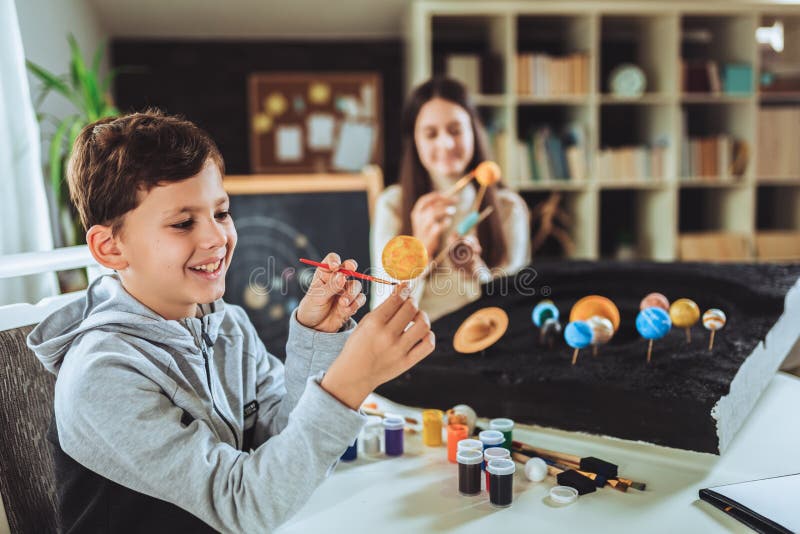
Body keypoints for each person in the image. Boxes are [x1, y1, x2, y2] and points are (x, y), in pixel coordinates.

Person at [27, 110, 435, 533]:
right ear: (110, 248)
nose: (217, 238)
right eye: (183, 223)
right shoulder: (102, 376)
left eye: (221, 213)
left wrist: (317, 339)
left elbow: (283, 447)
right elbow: (245, 505)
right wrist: (350, 382)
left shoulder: (230, 328)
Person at [371, 77, 531, 321]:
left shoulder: (508, 208)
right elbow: (381, 311)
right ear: (414, 140)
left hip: (484, 343)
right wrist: (418, 252)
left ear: (474, 132)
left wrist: (477, 273)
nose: (445, 144)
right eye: (430, 134)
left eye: (455, 130)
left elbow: (514, 310)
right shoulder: (392, 205)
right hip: (414, 348)